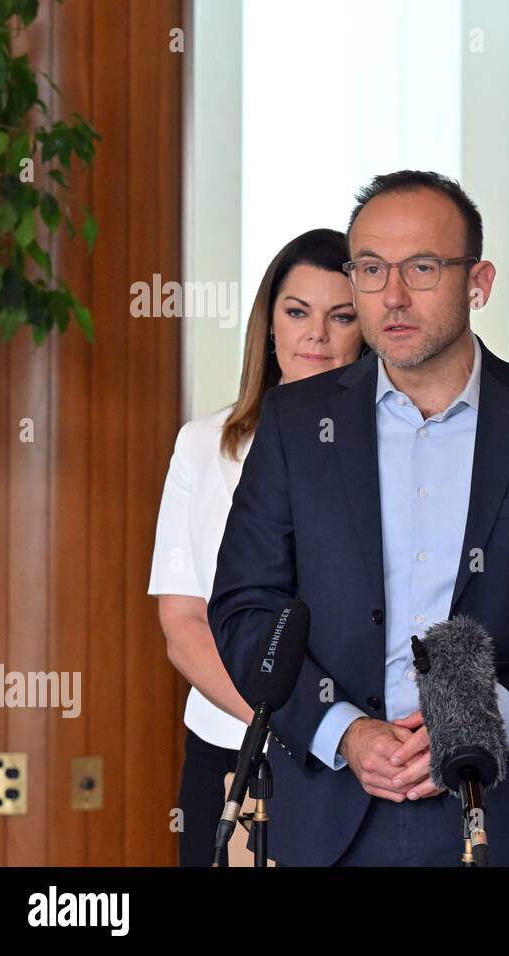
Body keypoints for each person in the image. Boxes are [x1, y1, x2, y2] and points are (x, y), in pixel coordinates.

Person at [208, 170, 509, 866]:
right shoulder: (298, 424)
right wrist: (344, 732)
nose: (393, 296)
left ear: (479, 281)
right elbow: (244, 608)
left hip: (505, 815)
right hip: (333, 811)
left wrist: (484, 723)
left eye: (421, 267)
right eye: (371, 269)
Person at [148, 228, 366, 866]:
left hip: (361, 756)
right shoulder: (204, 442)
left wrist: (340, 735)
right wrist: (289, 725)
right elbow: (183, 622)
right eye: (297, 313)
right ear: (269, 326)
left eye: (342, 316)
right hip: (233, 741)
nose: (316, 336)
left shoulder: (398, 447)